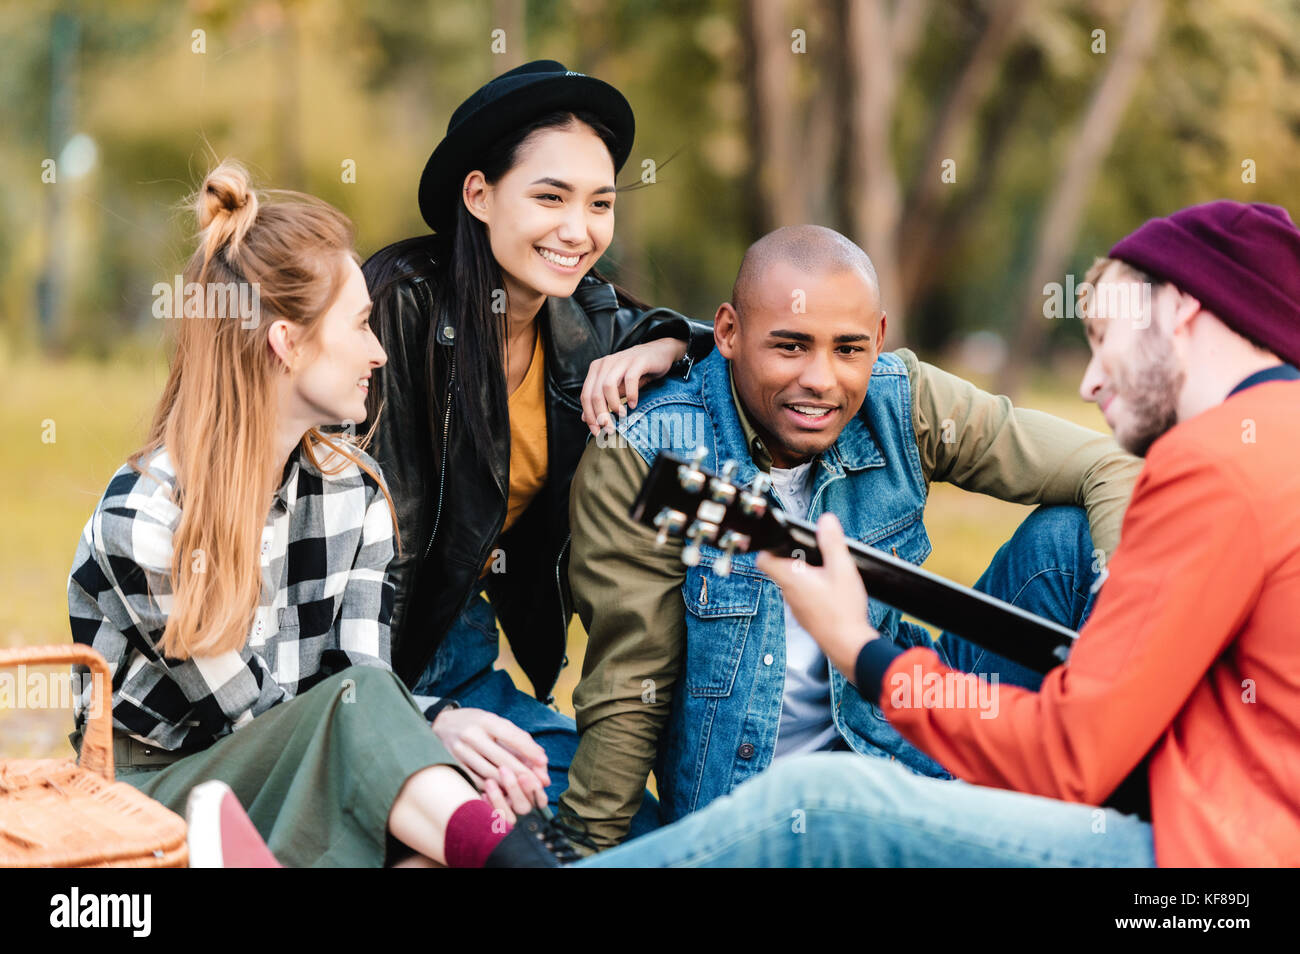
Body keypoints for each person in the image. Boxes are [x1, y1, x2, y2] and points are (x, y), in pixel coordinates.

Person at [580, 200, 1300, 867]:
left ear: (1181, 310)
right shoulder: (1272, 439)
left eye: (1105, 337)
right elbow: (627, 686)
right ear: (732, 332)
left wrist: (861, 649)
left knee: (824, 803)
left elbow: (1072, 749)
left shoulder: (1213, 467)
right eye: (790, 346)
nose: (1088, 380)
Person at [67, 160, 578, 867]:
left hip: (301, 775)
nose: (378, 351)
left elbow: (357, 685)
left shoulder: (354, 489)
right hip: (162, 801)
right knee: (393, 782)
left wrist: (431, 722)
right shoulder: (148, 518)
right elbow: (278, 720)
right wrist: (426, 726)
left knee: (425, 855)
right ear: (286, 342)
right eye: (363, 323)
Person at [361, 59, 713, 829]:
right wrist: (412, 716)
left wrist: (667, 345)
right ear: (479, 194)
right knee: (463, 835)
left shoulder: (583, 329)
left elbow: (749, 357)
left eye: (599, 204)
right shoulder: (397, 311)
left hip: (462, 660)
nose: (577, 229)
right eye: (549, 197)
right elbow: (317, 568)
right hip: (354, 667)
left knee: (635, 833)